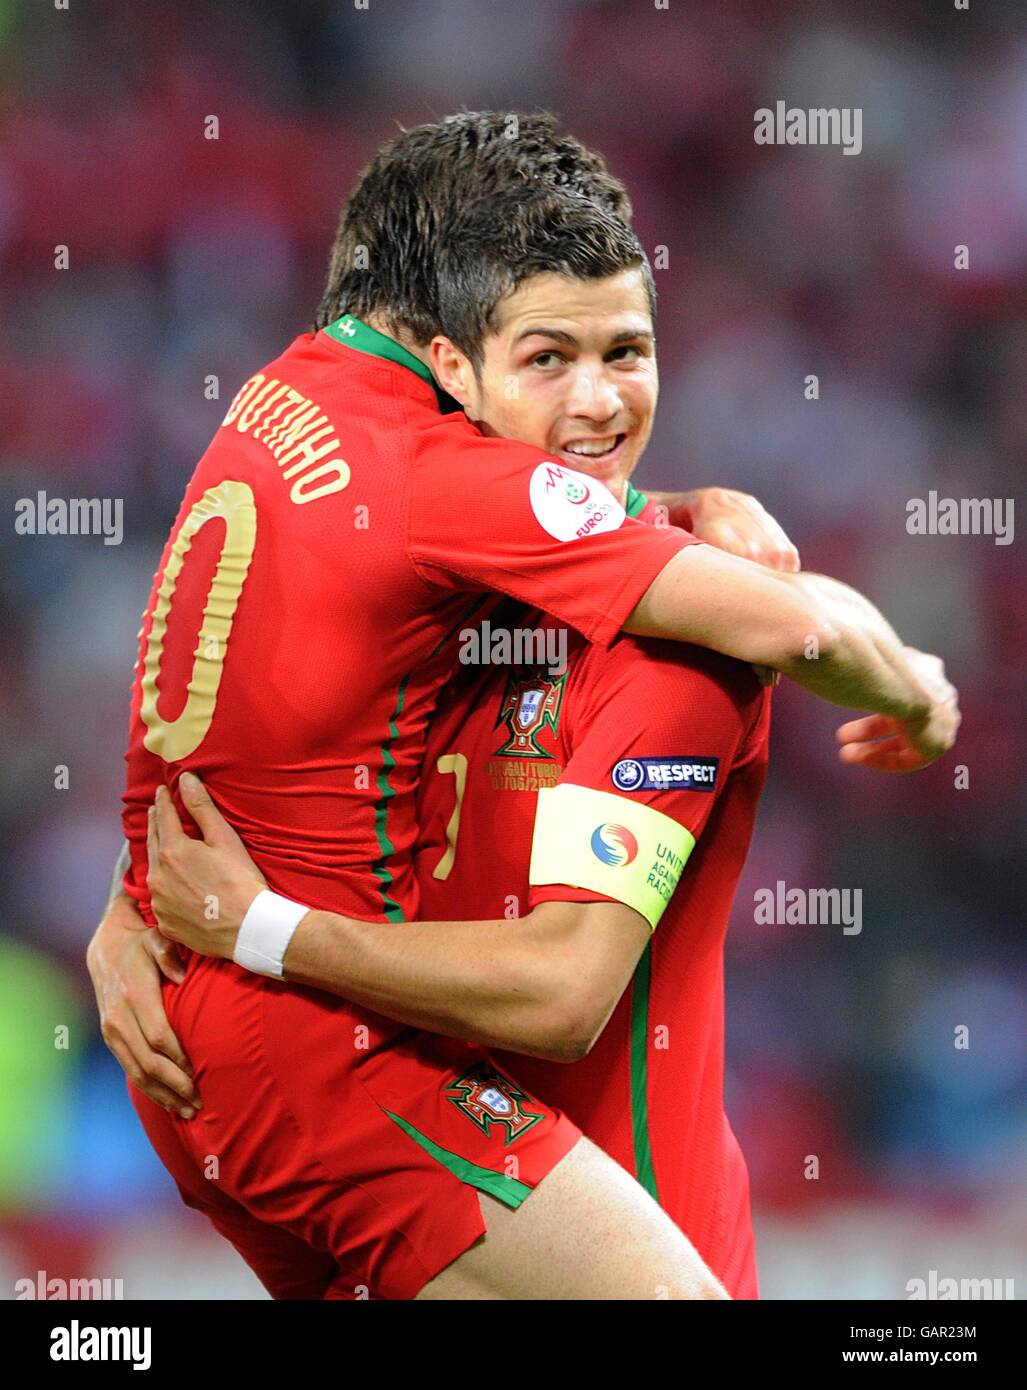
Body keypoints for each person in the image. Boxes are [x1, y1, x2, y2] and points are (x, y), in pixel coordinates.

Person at [95, 113, 959, 1300]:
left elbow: (245, 694)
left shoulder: (289, 410)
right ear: (451, 356)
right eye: (547, 355)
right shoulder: (444, 500)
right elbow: (562, 985)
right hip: (348, 1080)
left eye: (628, 352)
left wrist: (147, 903)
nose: (599, 401)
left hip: (258, 1068)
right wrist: (915, 690)